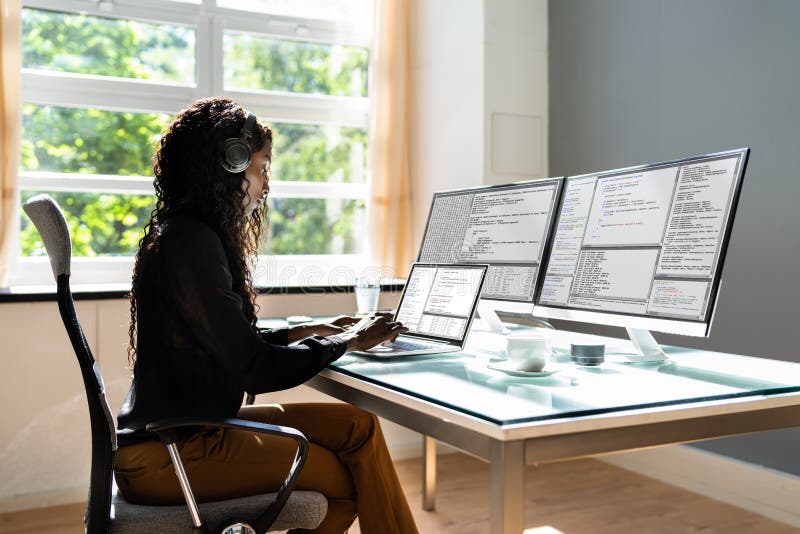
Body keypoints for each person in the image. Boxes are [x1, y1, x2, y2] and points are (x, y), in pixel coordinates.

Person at [114, 97, 419, 534]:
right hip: (173, 453)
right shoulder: (190, 243)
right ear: (230, 167)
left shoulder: (184, 236)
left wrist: (308, 330)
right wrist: (348, 342)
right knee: (348, 477)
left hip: (183, 433)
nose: (264, 185)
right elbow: (254, 370)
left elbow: (230, 342)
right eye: (261, 169)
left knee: (358, 427)